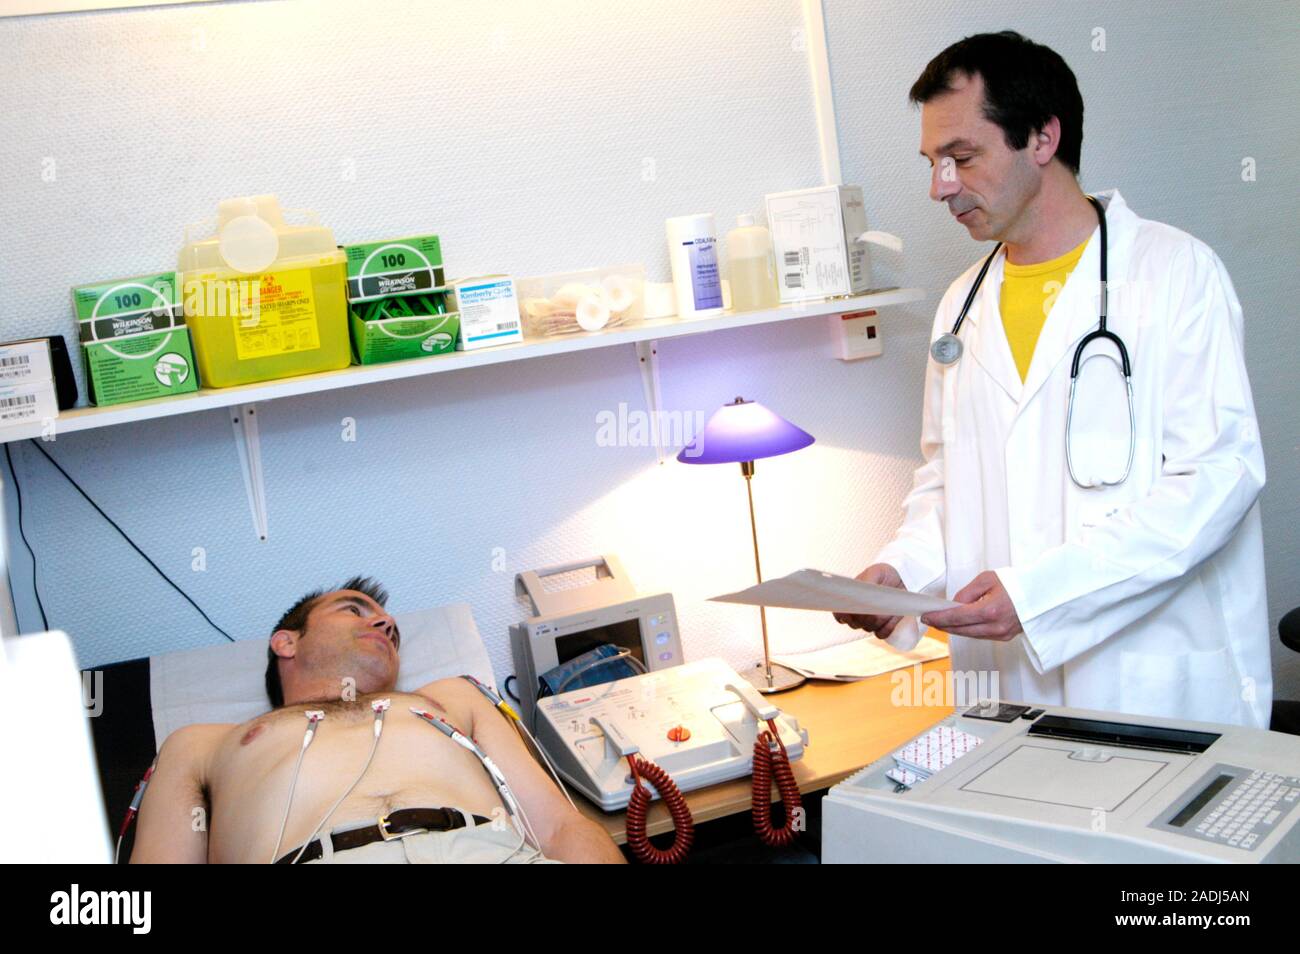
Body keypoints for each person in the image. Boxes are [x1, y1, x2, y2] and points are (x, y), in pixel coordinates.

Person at [836, 32, 1270, 728]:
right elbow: (946, 483)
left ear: (1042, 137)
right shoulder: (960, 306)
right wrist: (901, 575)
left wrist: (1039, 595)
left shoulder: (1175, 274)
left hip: (1148, 685)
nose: (939, 186)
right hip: (1006, 697)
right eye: (933, 162)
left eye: (961, 158)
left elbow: (1215, 477)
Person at [131, 577, 625, 863]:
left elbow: (560, 829)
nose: (385, 623)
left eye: (391, 627)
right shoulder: (201, 744)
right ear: (286, 642)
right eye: (354, 610)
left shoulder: (452, 698)